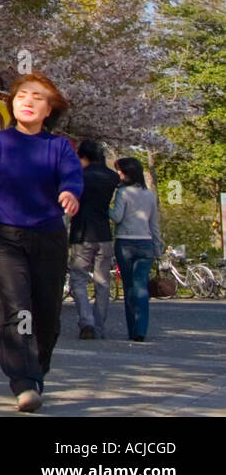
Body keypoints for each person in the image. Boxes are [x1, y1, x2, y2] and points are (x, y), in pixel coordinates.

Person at [0, 73, 82, 412]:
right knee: (17, 309)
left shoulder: (58, 146)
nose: (28, 101)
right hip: (6, 238)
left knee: (46, 314)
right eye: (22, 95)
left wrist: (70, 192)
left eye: (38, 97)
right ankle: (24, 382)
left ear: (49, 109)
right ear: (12, 102)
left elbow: (72, 176)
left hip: (49, 237)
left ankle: (36, 370)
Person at [68, 139, 121, 339]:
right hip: (104, 234)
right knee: (103, 282)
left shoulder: (79, 176)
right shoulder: (112, 177)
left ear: (84, 156)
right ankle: (99, 325)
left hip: (82, 234)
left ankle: (86, 321)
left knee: (79, 279)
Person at [110, 157, 162, 343]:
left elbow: (117, 217)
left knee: (129, 287)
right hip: (146, 243)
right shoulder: (149, 195)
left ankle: (133, 328)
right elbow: (154, 224)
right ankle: (141, 329)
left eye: (120, 171)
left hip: (125, 242)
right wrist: (158, 246)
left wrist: (103, 208)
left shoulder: (123, 193)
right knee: (141, 287)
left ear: (126, 173)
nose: (118, 174)